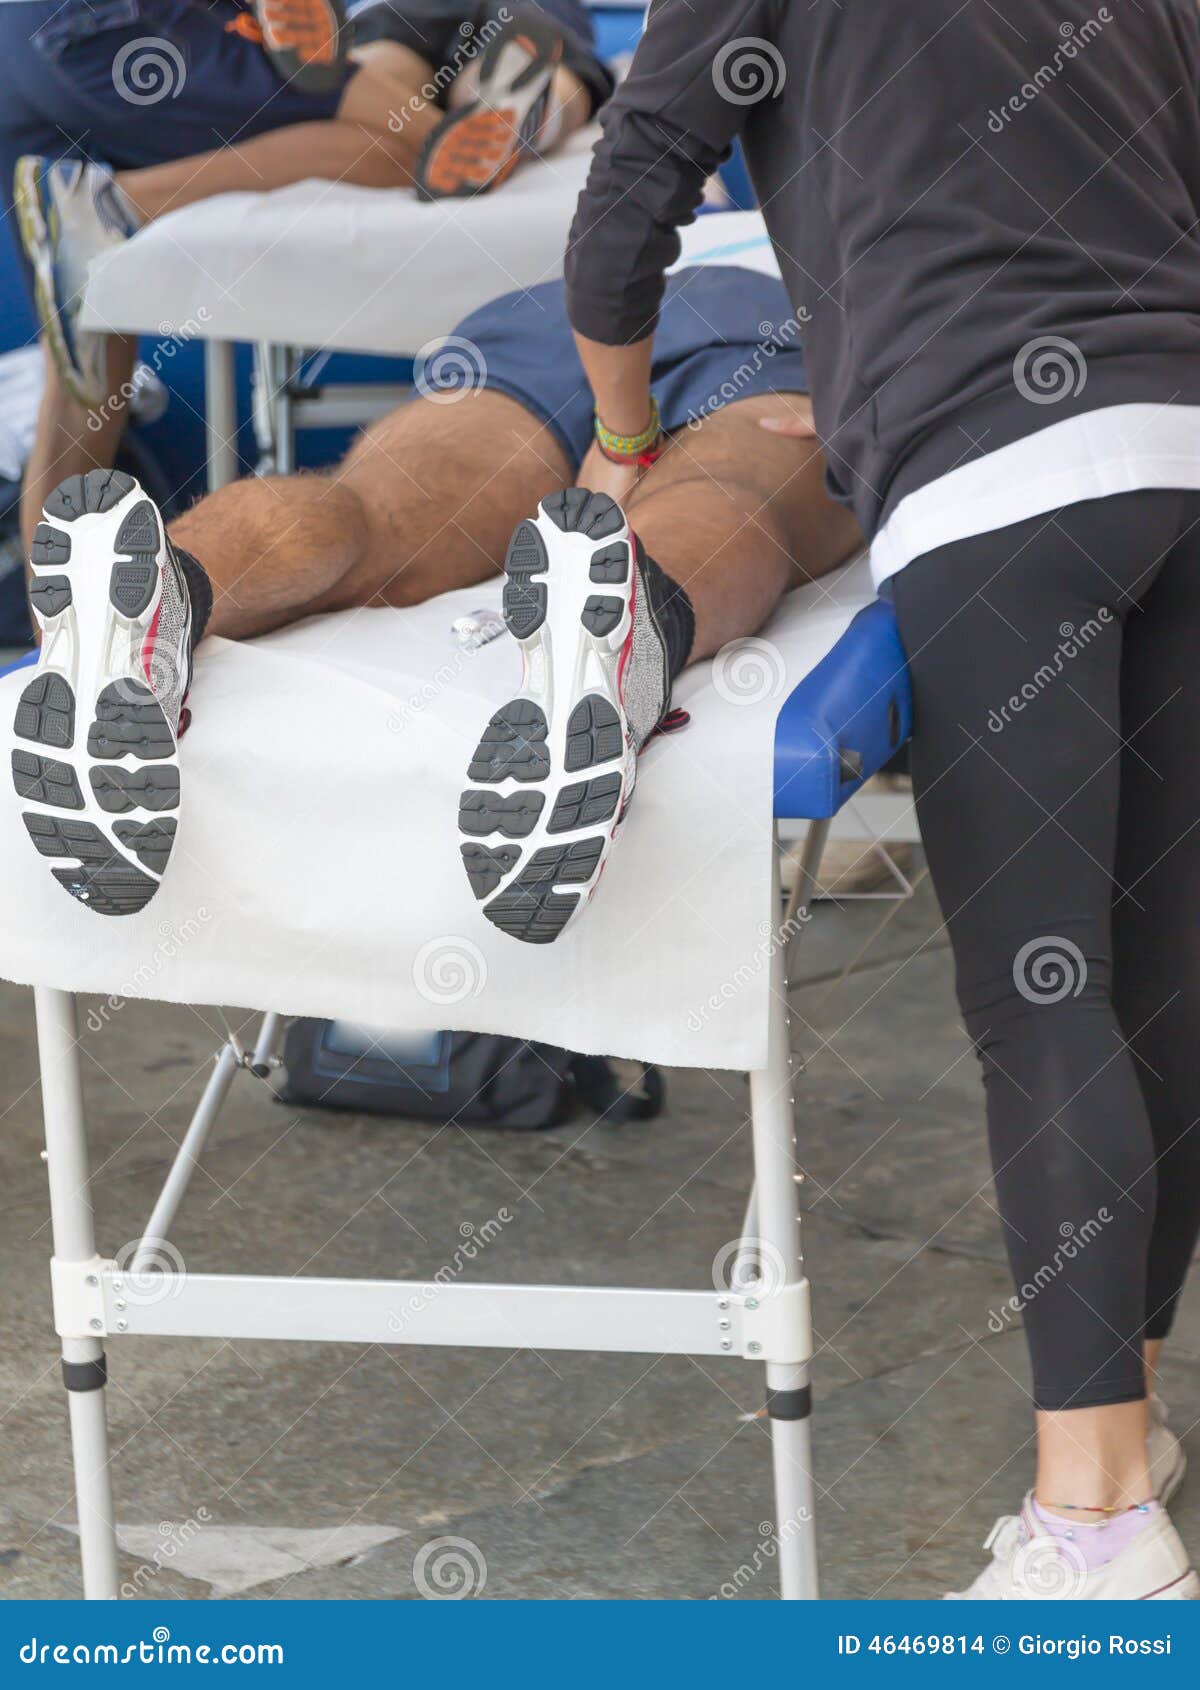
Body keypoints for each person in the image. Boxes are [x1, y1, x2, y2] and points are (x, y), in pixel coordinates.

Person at [562, 0, 1200, 1600]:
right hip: (1182, 447)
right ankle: (1131, 1428)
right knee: (1161, 977)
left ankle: (1099, 1520)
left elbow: (628, 197)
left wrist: (627, 440)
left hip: (999, 474)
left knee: (1043, 996)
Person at [10, 246, 860, 929]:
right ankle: (614, 641)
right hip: (771, 324)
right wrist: (893, 376)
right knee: (728, 499)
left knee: (378, 517)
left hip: (558, 312)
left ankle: (159, 591)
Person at [3, 0, 611, 543]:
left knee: (85, 364)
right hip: (125, 25)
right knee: (404, 138)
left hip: (30, 35)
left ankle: (54, 640)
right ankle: (118, 206)